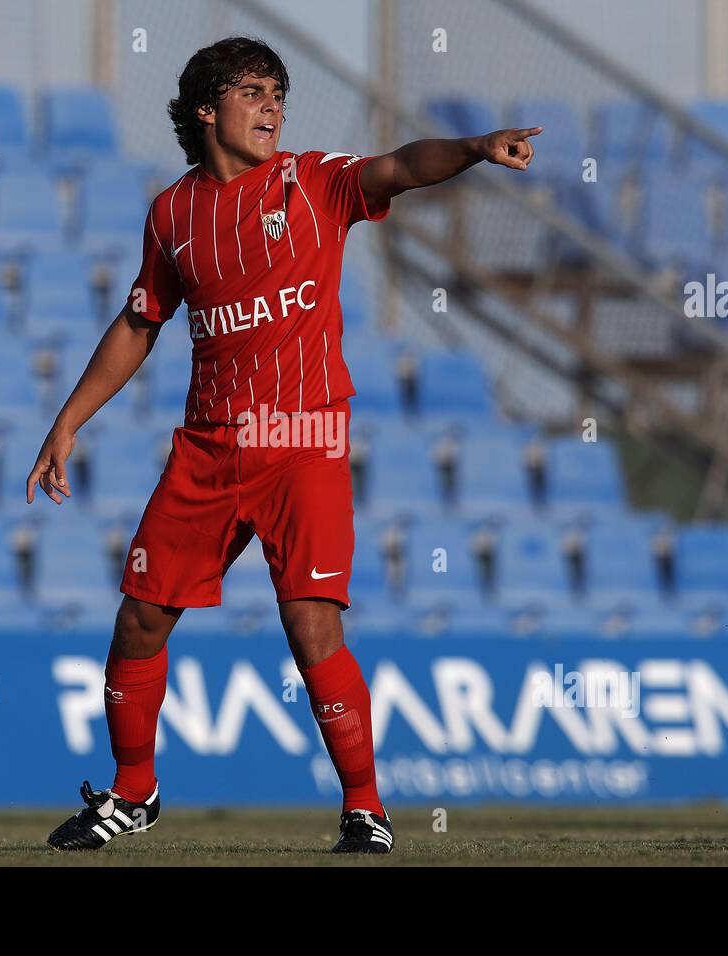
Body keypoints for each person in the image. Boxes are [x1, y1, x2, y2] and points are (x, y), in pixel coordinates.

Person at [27, 35, 540, 853]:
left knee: (311, 629)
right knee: (138, 623)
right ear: (206, 109)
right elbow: (139, 322)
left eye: (279, 93)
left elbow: (401, 166)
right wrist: (68, 421)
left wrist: (475, 150)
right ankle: (134, 793)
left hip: (302, 439)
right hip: (207, 450)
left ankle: (365, 809)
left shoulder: (312, 182)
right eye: (254, 91)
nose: (273, 105)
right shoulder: (171, 213)